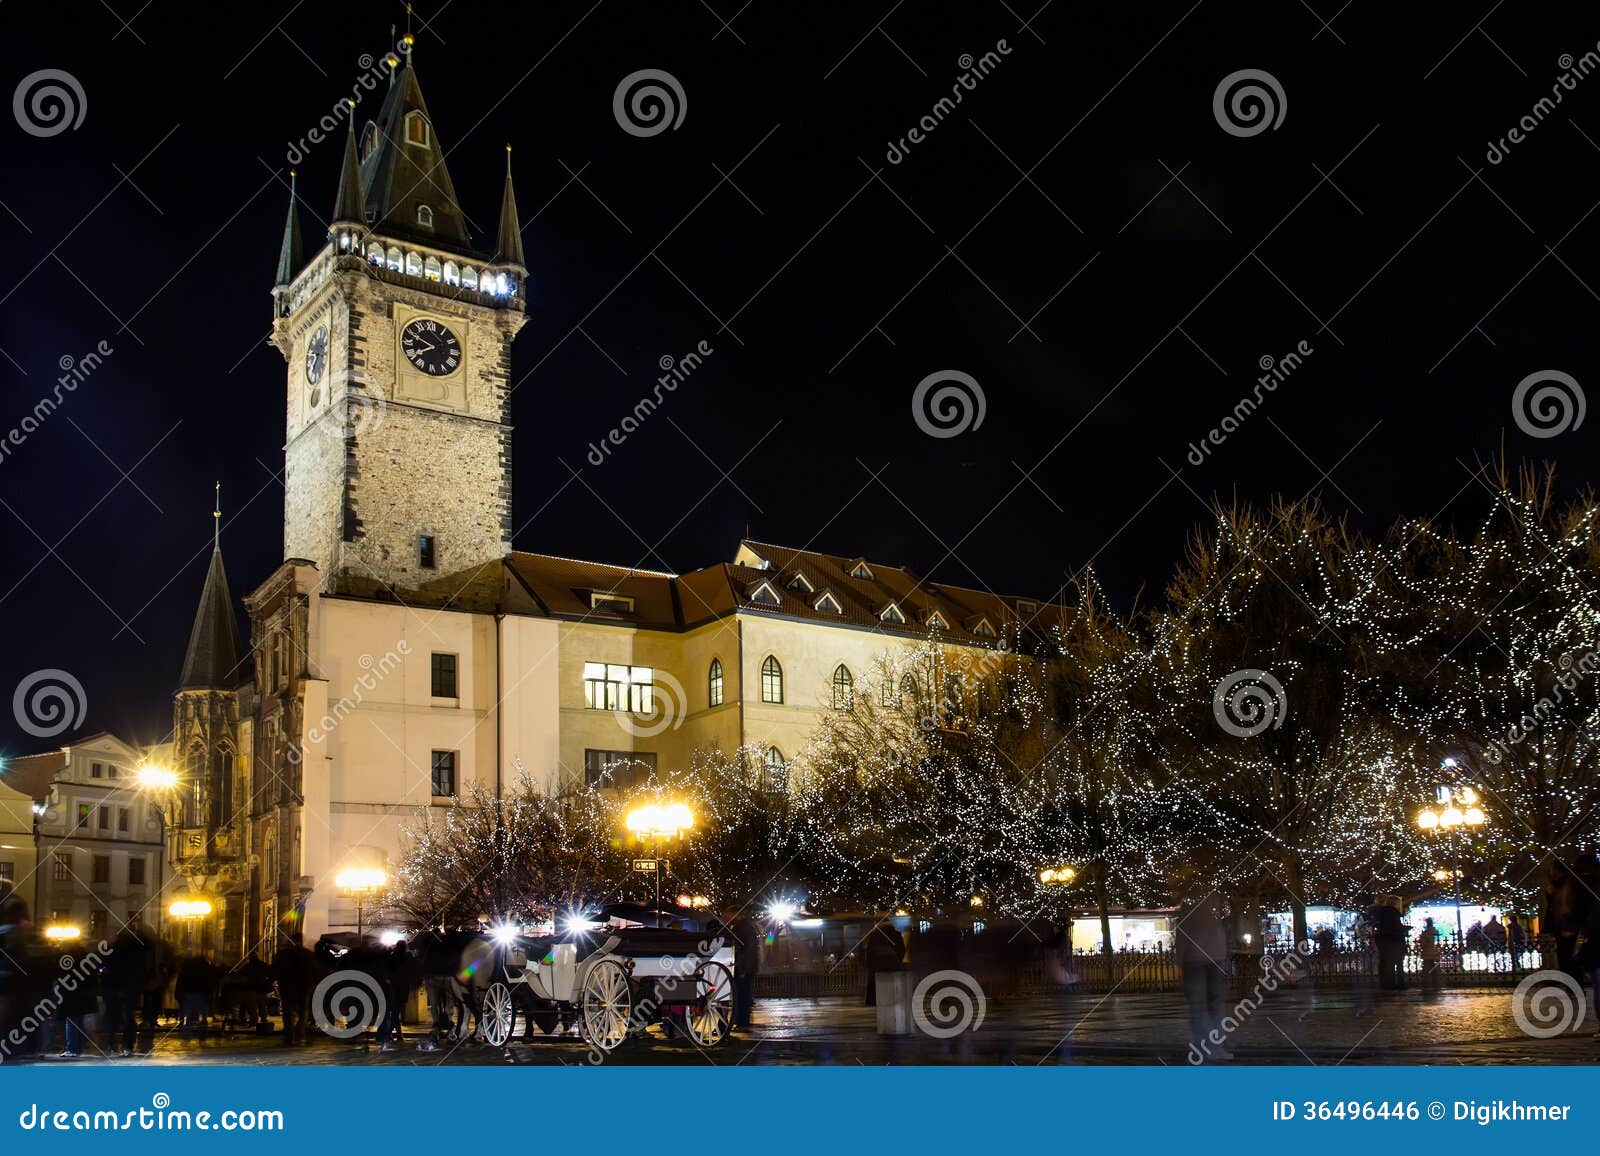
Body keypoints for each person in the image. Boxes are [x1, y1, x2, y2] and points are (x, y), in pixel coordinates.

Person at [1173, 878, 1232, 1063]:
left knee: (1200, 1006)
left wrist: (1179, 961)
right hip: (1210, 960)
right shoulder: (1217, 911)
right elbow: (1224, 935)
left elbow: (1181, 937)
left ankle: (1204, 1045)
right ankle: (1213, 1046)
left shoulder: (1191, 910)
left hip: (1197, 961)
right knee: (1213, 1005)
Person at [101, 919, 150, 1056]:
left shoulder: (114, 949)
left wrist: (103, 972)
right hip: (130, 987)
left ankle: (112, 1044)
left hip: (116, 987)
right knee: (127, 1017)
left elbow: (108, 967)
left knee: (113, 1016)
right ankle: (126, 1045)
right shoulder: (134, 947)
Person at [270, 933, 316, 1045]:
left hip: (287, 985)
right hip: (303, 986)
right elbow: (315, 970)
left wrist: (273, 979)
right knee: (303, 1011)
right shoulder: (308, 954)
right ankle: (300, 1033)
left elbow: (274, 969)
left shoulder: (283, 954)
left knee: (288, 1010)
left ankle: (289, 1035)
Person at [1371, 894, 1407, 990]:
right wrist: (1404, 929)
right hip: (1393, 941)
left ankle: (1387, 983)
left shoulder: (1382, 912)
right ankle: (1393, 984)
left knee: (1386, 963)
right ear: (1395, 903)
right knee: (1392, 963)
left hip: (1386, 940)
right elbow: (1394, 927)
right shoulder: (1391, 912)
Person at [1416, 917, 1441, 991]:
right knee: (1435, 970)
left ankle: (1427, 983)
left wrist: (1421, 941)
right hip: (1435, 952)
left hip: (1427, 953)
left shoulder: (1426, 933)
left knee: (1427, 969)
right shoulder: (1434, 931)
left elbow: (1423, 944)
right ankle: (1436, 983)